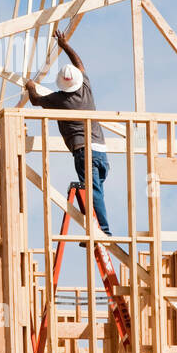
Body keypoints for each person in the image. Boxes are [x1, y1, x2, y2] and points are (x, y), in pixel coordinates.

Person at [23, 32, 110, 235]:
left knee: (93, 191)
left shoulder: (60, 100)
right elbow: (79, 64)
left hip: (83, 151)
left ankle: (103, 230)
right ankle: (97, 226)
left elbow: (35, 100)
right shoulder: (86, 88)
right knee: (96, 190)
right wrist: (64, 45)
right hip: (101, 151)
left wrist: (30, 87)